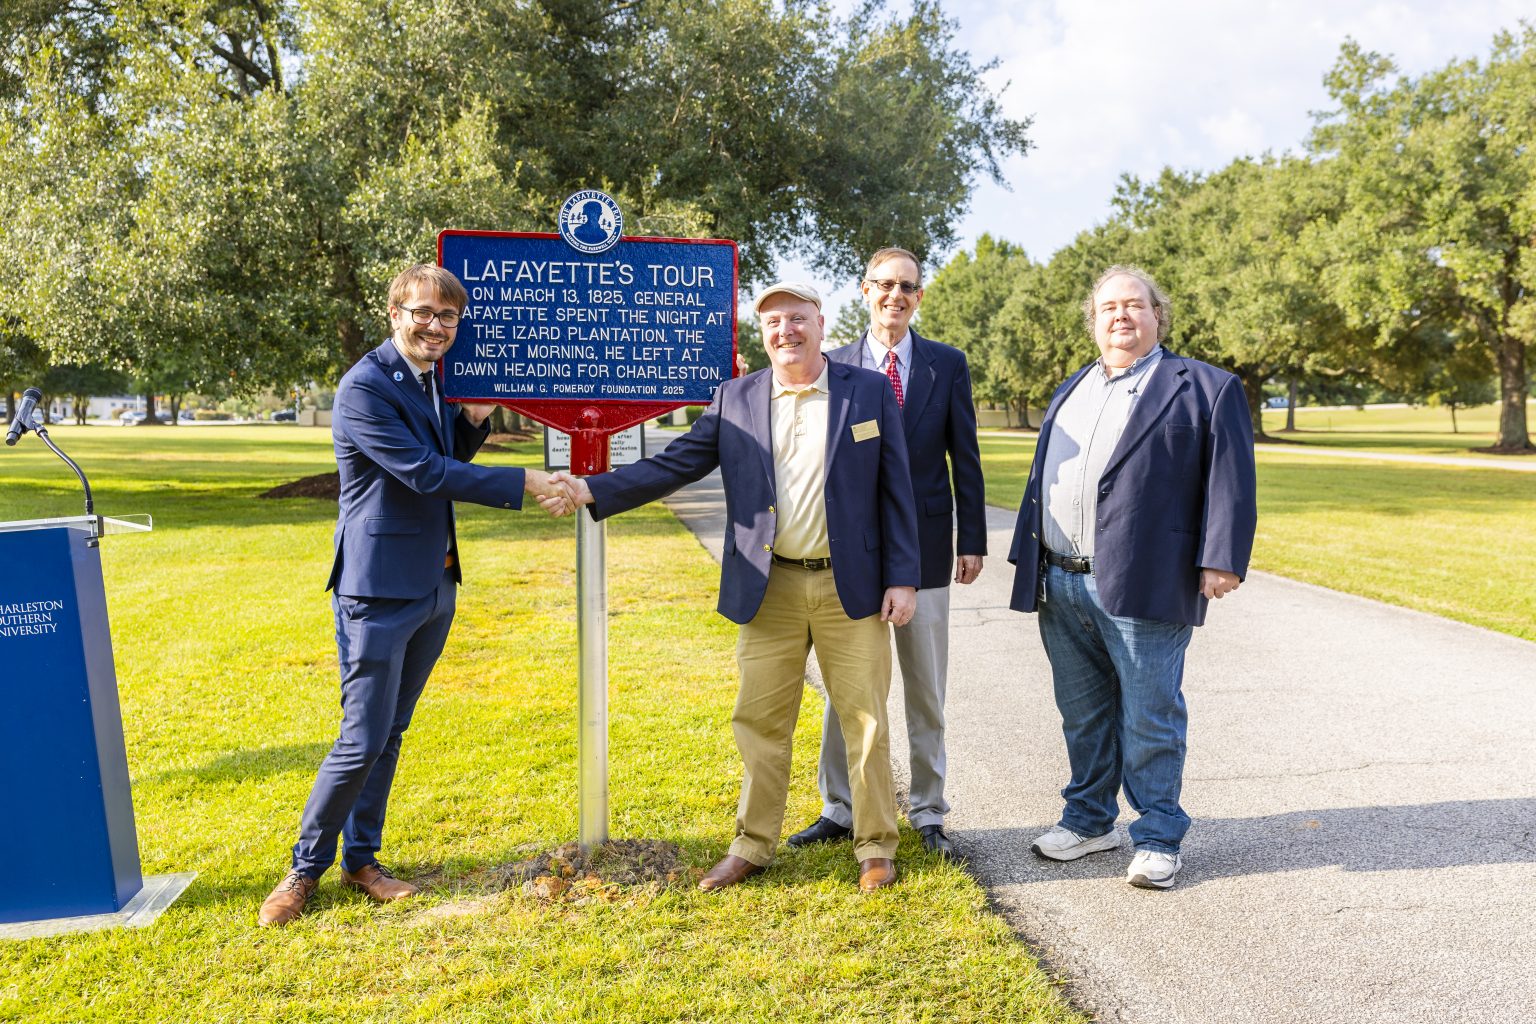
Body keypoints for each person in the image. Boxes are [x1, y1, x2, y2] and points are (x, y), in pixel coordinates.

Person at [546, 282, 920, 893]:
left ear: (821, 324)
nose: (786, 331)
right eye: (773, 322)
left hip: (848, 587)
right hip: (766, 588)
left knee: (866, 721)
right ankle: (753, 845)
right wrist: (593, 488)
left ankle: (876, 846)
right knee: (759, 721)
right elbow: (676, 463)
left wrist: (902, 578)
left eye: (798, 319)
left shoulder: (868, 392)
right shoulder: (737, 397)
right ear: (761, 332)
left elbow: (896, 490)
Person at [258, 263, 561, 926]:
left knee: (391, 732)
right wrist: (527, 480)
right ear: (394, 312)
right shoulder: (365, 385)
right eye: (422, 312)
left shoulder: (429, 379)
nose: (435, 325)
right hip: (376, 589)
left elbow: (443, 449)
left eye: (447, 316)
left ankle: (362, 860)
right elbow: (423, 472)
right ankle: (303, 871)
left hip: (434, 582)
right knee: (361, 735)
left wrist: (476, 422)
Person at [1006, 265, 1256, 890]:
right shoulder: (1071, 389)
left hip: (1147, 578)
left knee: (1149, 713)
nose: (1121, 316)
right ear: (1093, 320)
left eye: (1134, 306)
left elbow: (1230, 480)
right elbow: (1046, 478)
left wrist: (1220, 557)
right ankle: (1090, 821)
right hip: (1060, 580)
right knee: (1082, 712)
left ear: (1156, 316)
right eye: (1108, 307)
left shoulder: (1204, 387)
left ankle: (1158, 835)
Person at [788, 247, 985, 860]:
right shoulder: (833, 364)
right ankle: (839, 807)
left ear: (918, 297)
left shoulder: (946, 365)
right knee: (847, 690)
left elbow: (966, 458)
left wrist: (971, 540)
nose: (894, 295)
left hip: (925, 552)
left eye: (907, 286)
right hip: (851, 552)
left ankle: (928, 811)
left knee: (926, 689)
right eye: (884, 285)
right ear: (865, 291)